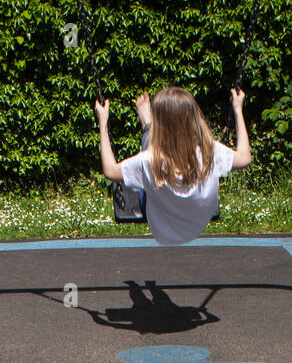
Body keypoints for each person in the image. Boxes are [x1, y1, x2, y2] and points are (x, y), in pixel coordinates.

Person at [95, 86, 251, 245]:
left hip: (162, 232)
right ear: (194, 119)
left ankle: (147, 129)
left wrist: (103, 123)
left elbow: (110, 170)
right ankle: (148, 129)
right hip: (198, 223)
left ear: (159, 124)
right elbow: (244, 158)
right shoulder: (210, 151)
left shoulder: (148, 161)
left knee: (149, 161)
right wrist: (238, 109)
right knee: (152, 159)